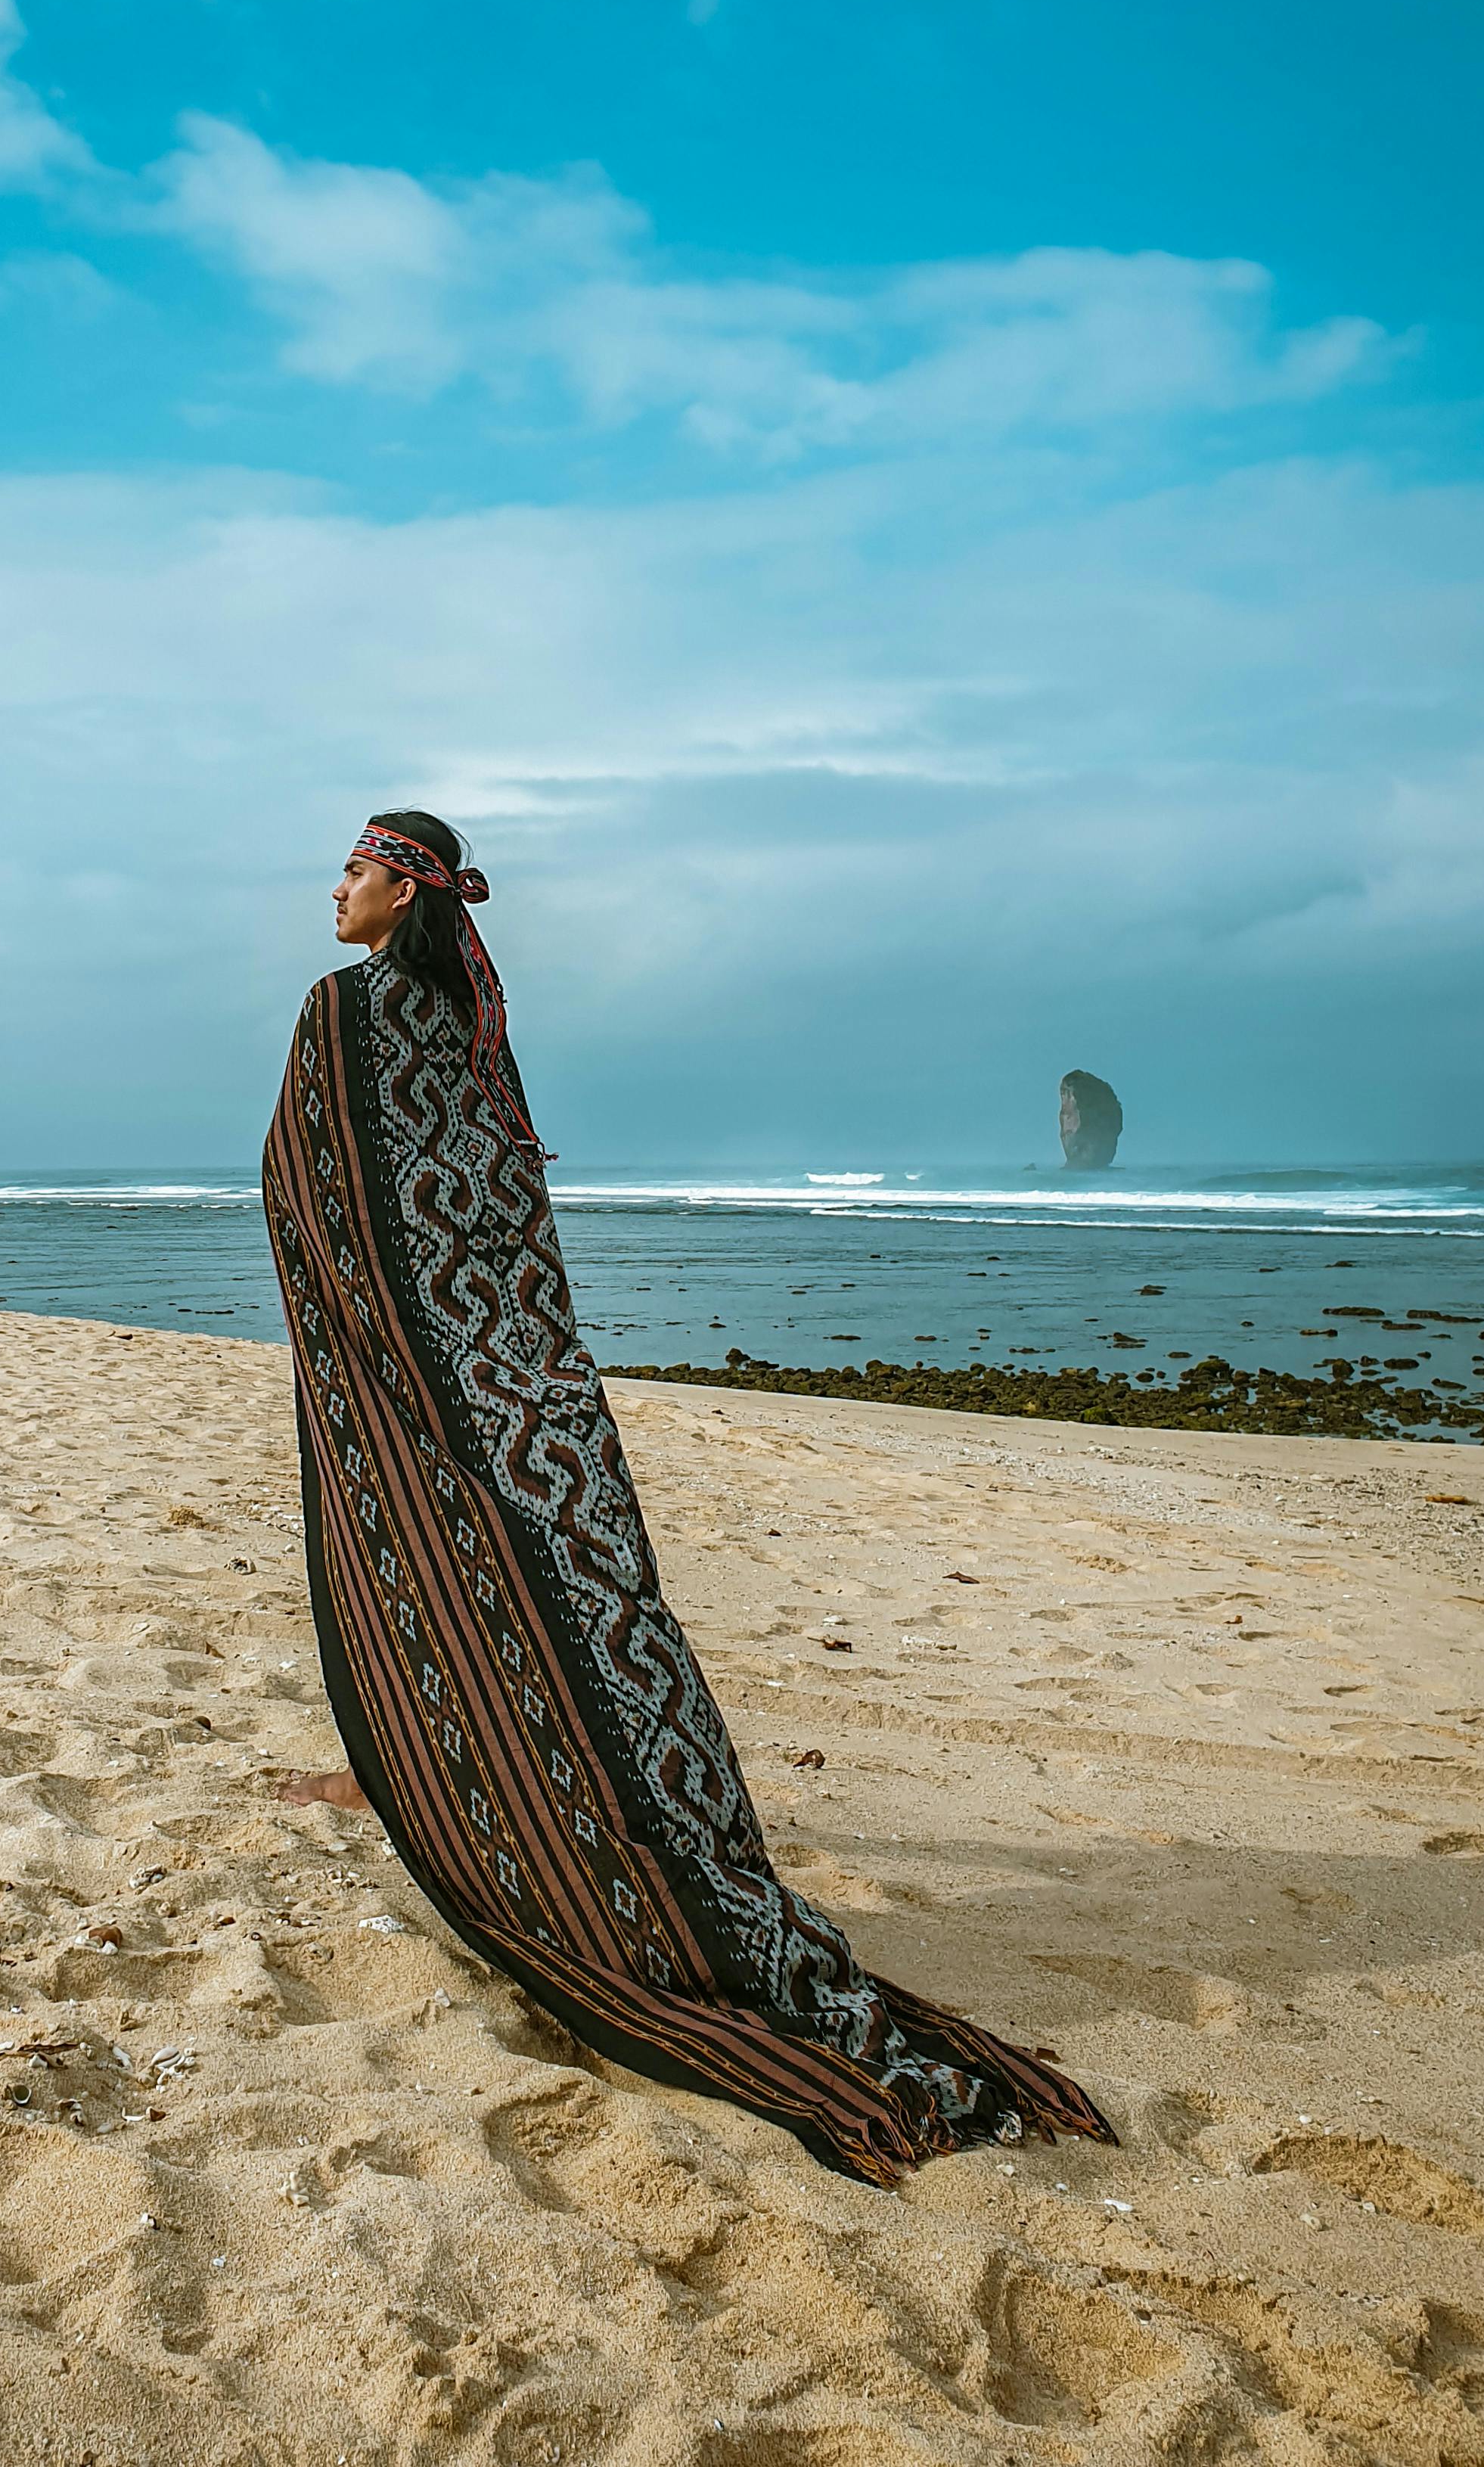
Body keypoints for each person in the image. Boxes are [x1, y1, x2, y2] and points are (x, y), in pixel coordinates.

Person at [262, 809, 1115, 2187]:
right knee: (570, 1602)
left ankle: (484, 1807)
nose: (334, 885)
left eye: (358, 867)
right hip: (515, 1367)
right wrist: (494, 1351)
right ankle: (455, 1782)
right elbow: (466, 1213)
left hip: (430, 1363)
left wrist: (381, 1338)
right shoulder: (475, 1019)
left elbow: (326, 1191)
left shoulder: (354, 1011)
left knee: (455, 1574)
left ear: (405, 889)